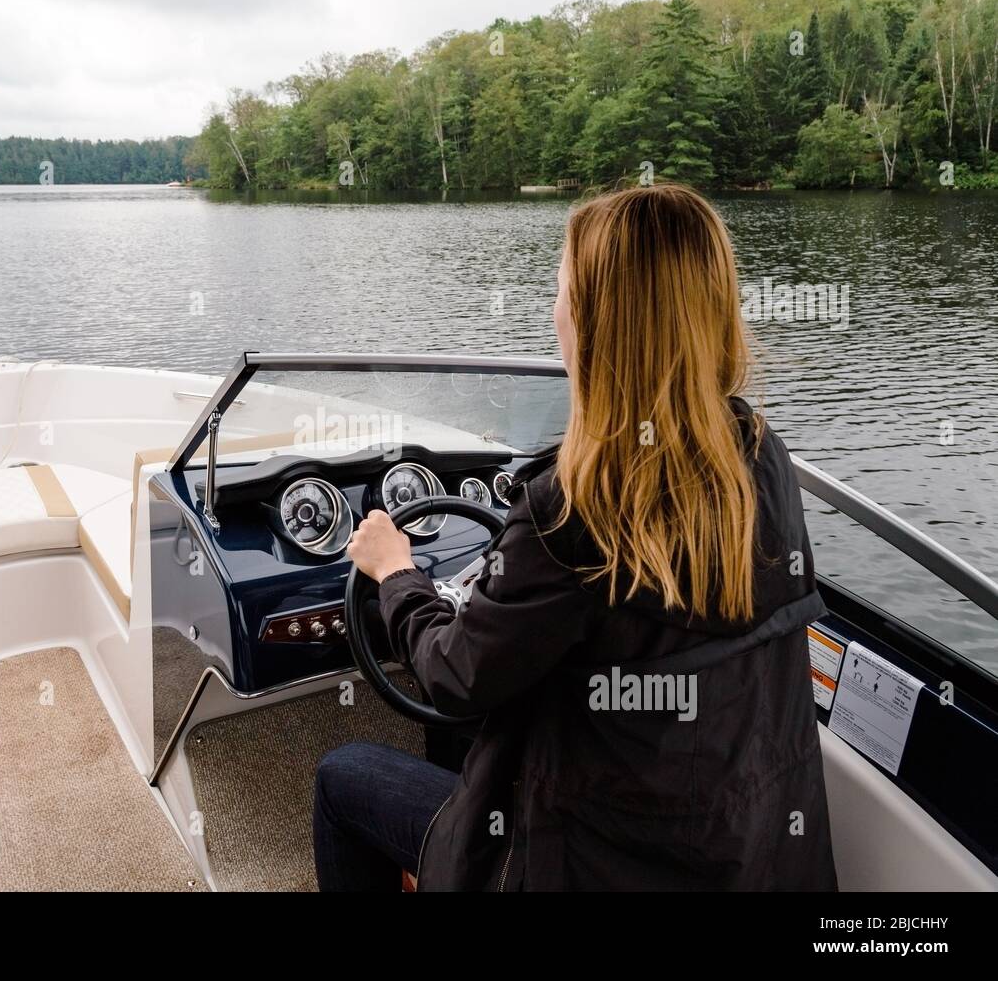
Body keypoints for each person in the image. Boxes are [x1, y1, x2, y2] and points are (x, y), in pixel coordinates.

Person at [313, 183, 838, 891]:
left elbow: (453, 674)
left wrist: (396, 574)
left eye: (560, 289)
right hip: (742, 851)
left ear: (594, 321)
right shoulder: (757, 454)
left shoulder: (572, 510)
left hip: (579, 862)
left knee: (341, 776)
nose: (552, 308)